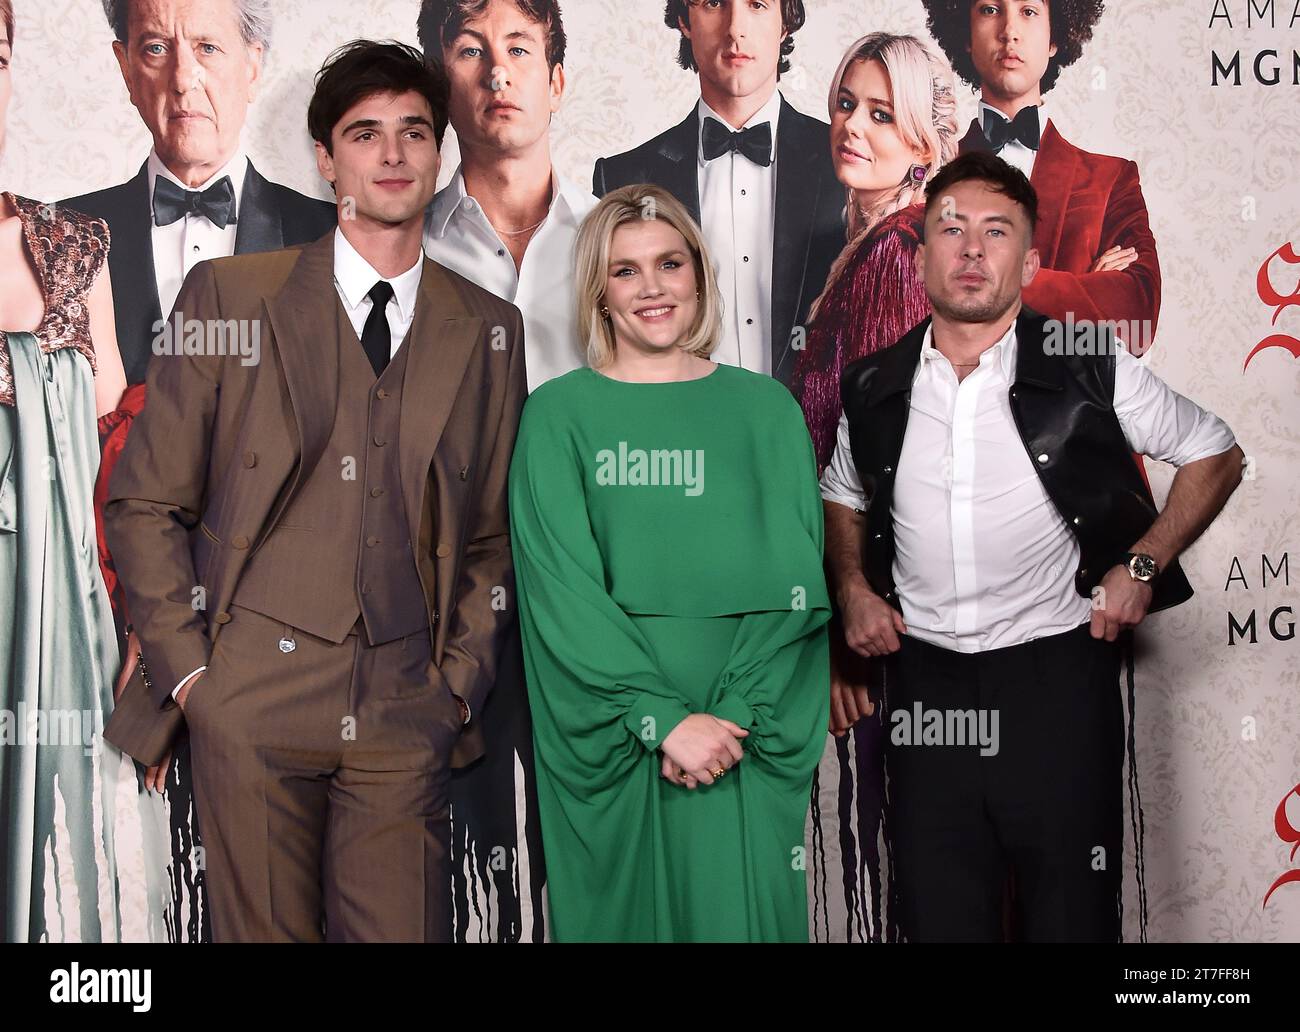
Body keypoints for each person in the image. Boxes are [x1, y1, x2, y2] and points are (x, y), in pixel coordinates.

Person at [102, 40, 527, 942]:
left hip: (406, 696)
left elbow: (492, 535)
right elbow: (145, 501)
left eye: (415, 132)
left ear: (440, 154)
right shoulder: (227, 297)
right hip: (249, 686)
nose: (394, 153)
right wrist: (194, 681)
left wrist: (456, 686)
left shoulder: (491, 328)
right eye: (364, 133)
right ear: (327, 159)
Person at [820, 151, 1243, 942]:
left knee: (1072, 921)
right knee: (941, 919)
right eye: (951, 229)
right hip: (926, 693)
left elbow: (1215, 451)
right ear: (919, 258)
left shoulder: (1085, 358)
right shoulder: (874, 382)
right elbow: (841, 492)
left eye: (997, 231)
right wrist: (851, 588)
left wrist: (1141, 566)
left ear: (1032, 259)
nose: (972, 250)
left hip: (1054, 686)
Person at [59, 0, 337, 941]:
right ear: (122, 65)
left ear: (256, 61)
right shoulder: (61, 242)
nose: (184, 77)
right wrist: (140, 625)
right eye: (155, 48)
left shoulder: (334, 237)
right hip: (107, 653)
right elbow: (67, 468)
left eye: (210, 46)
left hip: (281, 663)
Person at [510, 183, 831, 941]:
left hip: (741, 738)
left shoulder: (767, 412)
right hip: (618, 740)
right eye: (626, 270)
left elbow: (799, 597)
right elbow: (561, 598)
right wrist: (660, 722)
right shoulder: (557, 417)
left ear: (699, 277)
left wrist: (730, 723)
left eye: (670, 263)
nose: (652, 287)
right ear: (598, 290)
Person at [416, 0, 593, 941]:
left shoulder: (619, 245)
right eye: (472, 52)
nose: (498, 73)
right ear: (444, 80)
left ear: (556, 80)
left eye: (521, 50)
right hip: (446, 607)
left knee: (596, 855)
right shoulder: (399, 249)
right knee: (462, 875)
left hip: (594, 603)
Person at [785, 30, 958, 944]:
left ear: (924, 144)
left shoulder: (897, 256)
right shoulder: (868, 246)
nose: (854, 125)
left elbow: (891, 470)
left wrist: (853, 635)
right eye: (848, 103)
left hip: (884, 640)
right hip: (867, 622)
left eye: (883, 113)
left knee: (890, 883)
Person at [0, 0, 148, 942]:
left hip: (65, 636)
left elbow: (125, 458)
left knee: (68, 897)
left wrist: (145, 616)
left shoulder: (71, 248)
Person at [592, 0, 843, 387]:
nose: (734, 29)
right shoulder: (622, 178)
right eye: (713, 3)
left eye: (757, 4)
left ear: (785, 24)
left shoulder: (848, 166)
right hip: (677, 434)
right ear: (683, 20)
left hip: (816, 439)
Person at [920, 0, 1160, 350]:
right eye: (990, 10)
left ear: (1055, 38)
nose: (1009, 32)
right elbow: (907, 306)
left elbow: (1136, 321)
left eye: (1028, 11)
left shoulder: (1112, 180)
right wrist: (1080, 289)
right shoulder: (929, 172)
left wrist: (975, 282)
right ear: (966, 34)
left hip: (1069, 404)